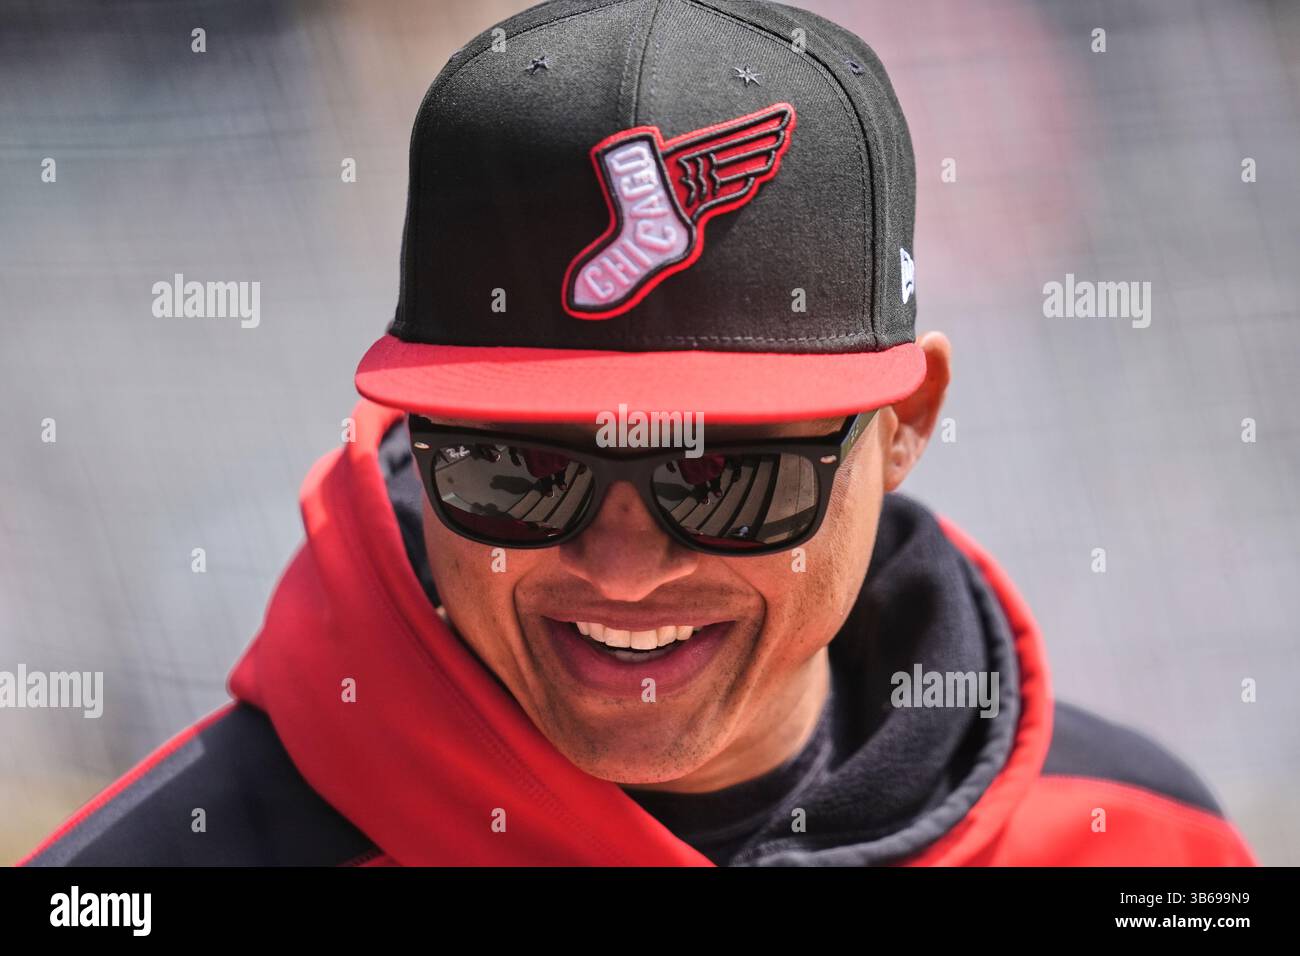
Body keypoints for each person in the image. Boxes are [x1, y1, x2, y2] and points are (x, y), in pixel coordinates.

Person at [23, 0, 1254, 867]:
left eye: (721, 473)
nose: (620, 567)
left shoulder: (1139, 844)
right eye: (516, 470)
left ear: (904, 425)